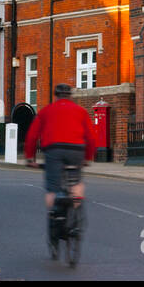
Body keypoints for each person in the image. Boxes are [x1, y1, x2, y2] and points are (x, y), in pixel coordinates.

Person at [24, 83, 96, 215]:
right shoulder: (81, 111)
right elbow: (91, 137)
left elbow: (32, 136)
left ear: (55, 96)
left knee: (53, 188)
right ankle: (75, 217)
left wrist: (30, 159)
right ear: (70, 96)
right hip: (76, 150)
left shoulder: (46, 111)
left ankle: (54, 218)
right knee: (76, 182)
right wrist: (87, 158)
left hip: (53, 150)